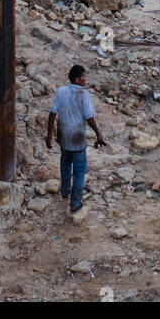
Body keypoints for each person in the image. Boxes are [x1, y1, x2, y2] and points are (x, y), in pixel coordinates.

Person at [46, 64, 105, 213]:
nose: (86, 79)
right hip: (77, 137)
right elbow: (89, 117)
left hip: (64, 136)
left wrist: (49, 136)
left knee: (65, 163)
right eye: (83, 76)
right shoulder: (83, 94)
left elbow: (52, 113)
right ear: (77, 79)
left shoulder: (60, 91)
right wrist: (98, 133)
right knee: (79, 169)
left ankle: (65, 190)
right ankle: (75, 202)